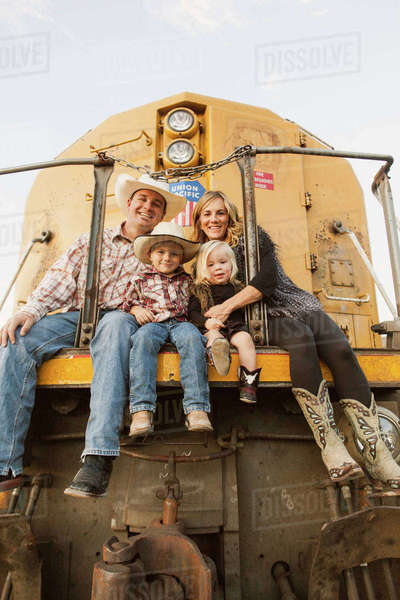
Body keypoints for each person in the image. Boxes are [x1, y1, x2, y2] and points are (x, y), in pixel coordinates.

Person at [191, 190, 400, 492]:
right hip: (256, 315)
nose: (214, 219)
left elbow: (267, 280)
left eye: (220, 213)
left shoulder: (251, 236)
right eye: (207, 214)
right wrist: (219, 315)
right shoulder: (197, 251)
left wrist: (226, 305)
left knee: (339, 347)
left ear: (230, 215)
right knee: (301, 339)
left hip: (290, 300)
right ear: (198, 218)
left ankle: (377, 453)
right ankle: (331, 447)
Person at [0, 173, 186, 498]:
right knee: (17, 341)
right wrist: (29, 311)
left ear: (161, 214)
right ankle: (6, 465)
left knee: (114, 330)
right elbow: (59, 279)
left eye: (156, 204)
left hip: (121, 316)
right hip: (78, 316)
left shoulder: (161, 251)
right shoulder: (90, 240)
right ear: (128, 204)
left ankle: (99, 456)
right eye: (142, 199)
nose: (148, 207)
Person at [122, 221, 212, 436]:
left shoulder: (187, 280)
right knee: (142, 341)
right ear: (150, 255)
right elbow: (125, 301)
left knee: (193, 339)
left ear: (181, 258)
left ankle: (197, 408)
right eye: (161, 252)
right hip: (153, 323)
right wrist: (135, 309)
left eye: (173, 253)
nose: (167, 257)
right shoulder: (141, 279)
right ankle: (141, 410)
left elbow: (196, 303)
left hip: (181, 323)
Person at [188, 240, 261, 404]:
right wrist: (206, 323)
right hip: (211, 328)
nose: (218, 268)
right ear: (202, 269)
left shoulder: (238, 288)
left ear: (232, 264)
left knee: (246, 340)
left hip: (234, 326)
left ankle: (248, 385)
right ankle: (218, 356)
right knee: (214, 337)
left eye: (223, 262)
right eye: (211, 265)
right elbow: (192, 312)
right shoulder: (199, 290)